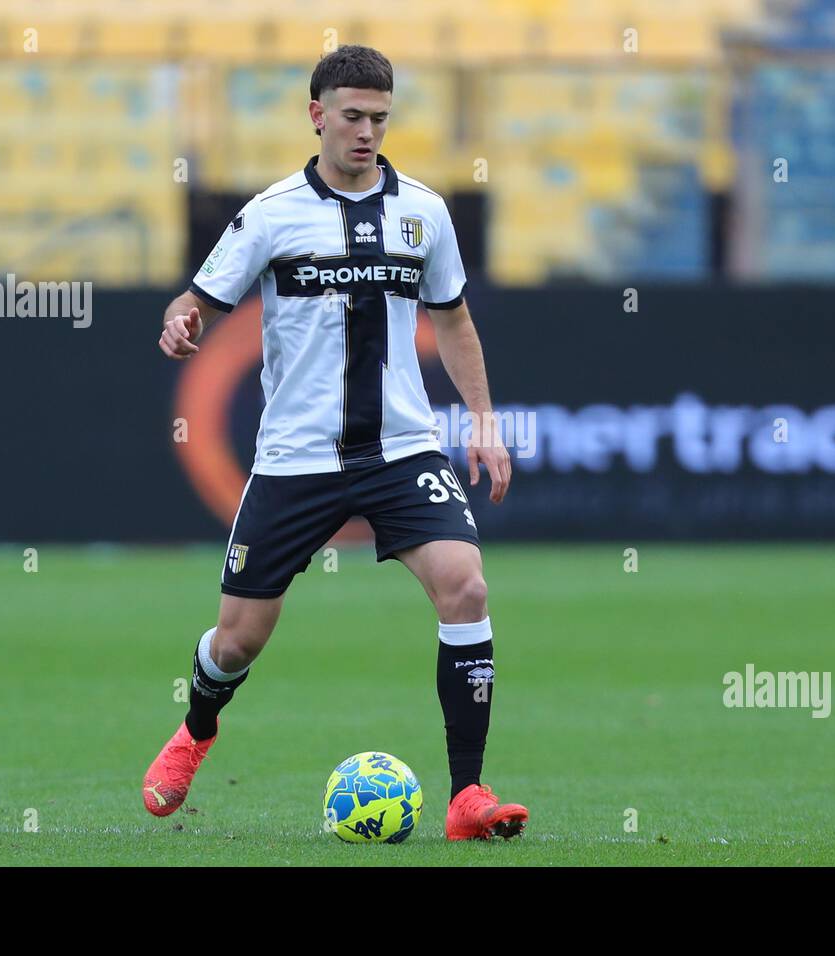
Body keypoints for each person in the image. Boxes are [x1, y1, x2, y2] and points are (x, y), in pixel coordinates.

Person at [143, 44, 527, 840]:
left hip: (402, 451)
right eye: (352, 116)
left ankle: (467, 798)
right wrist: (182, 321)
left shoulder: (423, 212)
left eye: (380, 119)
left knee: (467, 587)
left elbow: (453, 320)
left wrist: (483, 420)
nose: (366, 132)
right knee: (239, 639)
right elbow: (199, 298)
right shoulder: (274, 213)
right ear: (316, 114)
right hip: (296, 460)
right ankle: (197, 731)